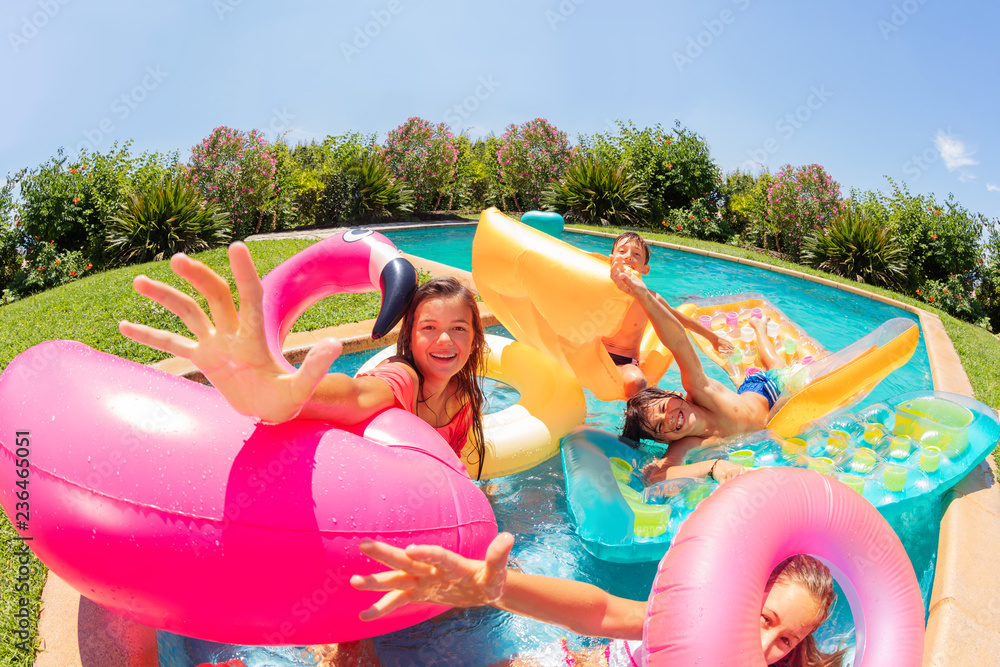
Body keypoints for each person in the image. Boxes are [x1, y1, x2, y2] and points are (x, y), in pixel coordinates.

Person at [118, 242, 489, 477]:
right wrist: (275, 392)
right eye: (429, 327)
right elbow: (355, 394)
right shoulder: (402, 379)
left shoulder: (464, 395)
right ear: (409, 336)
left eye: (459, 328)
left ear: (474, 340)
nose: (444, 339)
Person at [346, 533, 846, 666]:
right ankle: (349, 639)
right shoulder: (691, 623)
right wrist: (495, 590)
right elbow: (601, 611)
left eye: (787, 639)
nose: (768, 643)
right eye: (765, 619)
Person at [609, 256, 799, 484]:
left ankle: (759, 328)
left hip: (764, 391)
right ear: (663, 440)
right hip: (751, 417)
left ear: (676, 395)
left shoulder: (700, 389)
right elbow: (658, 475)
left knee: (775, 364)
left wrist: (643, 295)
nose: (667, 419)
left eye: (662, 408)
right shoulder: (685, 444)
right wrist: (712, 467)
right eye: (659, 426)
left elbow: (679, 342)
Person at [601, 232, 733, 398]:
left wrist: (715, 339)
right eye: (622, 251)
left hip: (624, 363)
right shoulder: (599, 290)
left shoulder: (650, 298)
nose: (628, 257)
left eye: (636, 254)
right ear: (610, 259)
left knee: (637, 382)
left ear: (645, 269)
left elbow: (681, 320)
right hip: (595, 354)